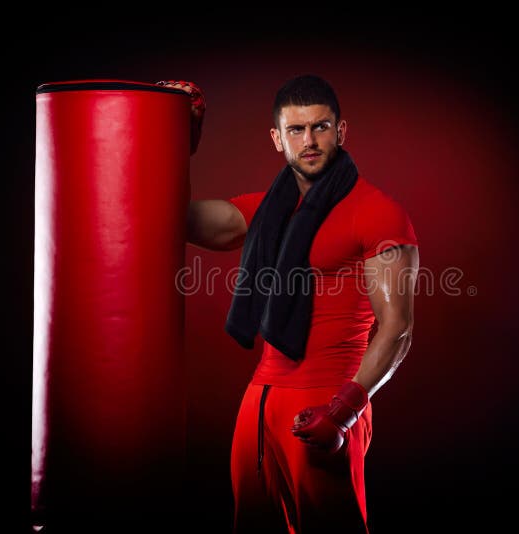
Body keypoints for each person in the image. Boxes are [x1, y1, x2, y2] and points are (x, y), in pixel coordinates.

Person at [160, 75, 420, 533]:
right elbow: (163, 215)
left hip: (327, 399)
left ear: (340, 131)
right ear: (277, 138)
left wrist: (344, 411)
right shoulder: (267, 211)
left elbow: (397, 327)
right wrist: (177, 139)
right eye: (296, 130)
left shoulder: (376, 212)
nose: (310, 140)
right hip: (259, 401)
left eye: (321, 127)